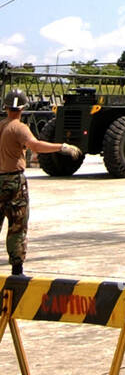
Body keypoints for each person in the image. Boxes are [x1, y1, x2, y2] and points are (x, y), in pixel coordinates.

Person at [0, 90, 82, 277]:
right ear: (23, 108)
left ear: (6, 107)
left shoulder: (1, 126)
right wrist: (61, 147)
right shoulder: (19, 128)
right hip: (13, 181)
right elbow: (35, 146)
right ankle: (17, 271)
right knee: (17, 226)